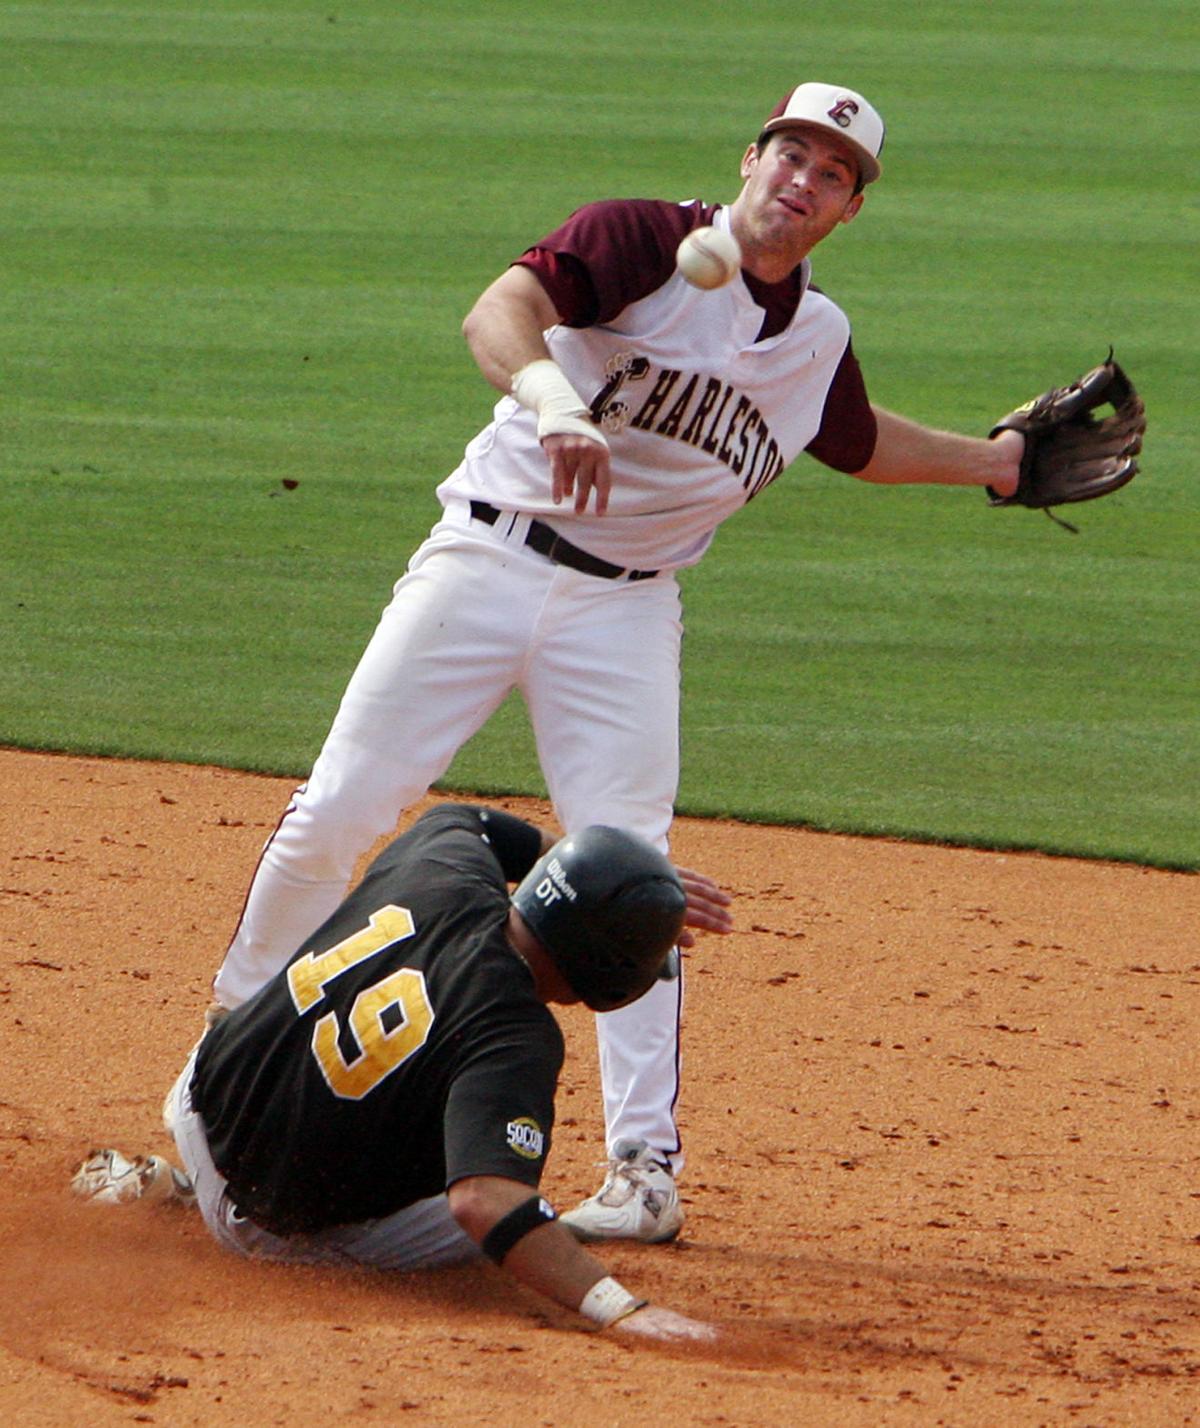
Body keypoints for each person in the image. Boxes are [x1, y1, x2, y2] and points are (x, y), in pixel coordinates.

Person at [206, 80, 1025, 1244]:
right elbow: (501, 310)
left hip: (626, 612)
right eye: (791, 154)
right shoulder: (638, 238)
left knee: (635, 879)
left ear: (850, 209)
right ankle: (224, 1062)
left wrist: (997, 463)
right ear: (750, 159)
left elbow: (859, 440)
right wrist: (552, 398)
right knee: (339, 807)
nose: (803, 180)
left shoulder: (817, 340)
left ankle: (644, 1169)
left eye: (833, 173)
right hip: (487, 557)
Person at [79, 803, 731, 1341]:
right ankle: (202, 1206)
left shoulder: (444, 863)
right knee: (510, 1210)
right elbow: (482, 1201)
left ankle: (182, 1183)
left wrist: (590, 876)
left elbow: (468, 819)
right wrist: (621, 1308)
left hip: (199, 1098)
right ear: (608, 974)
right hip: (262, 1222)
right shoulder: (516, 1036)